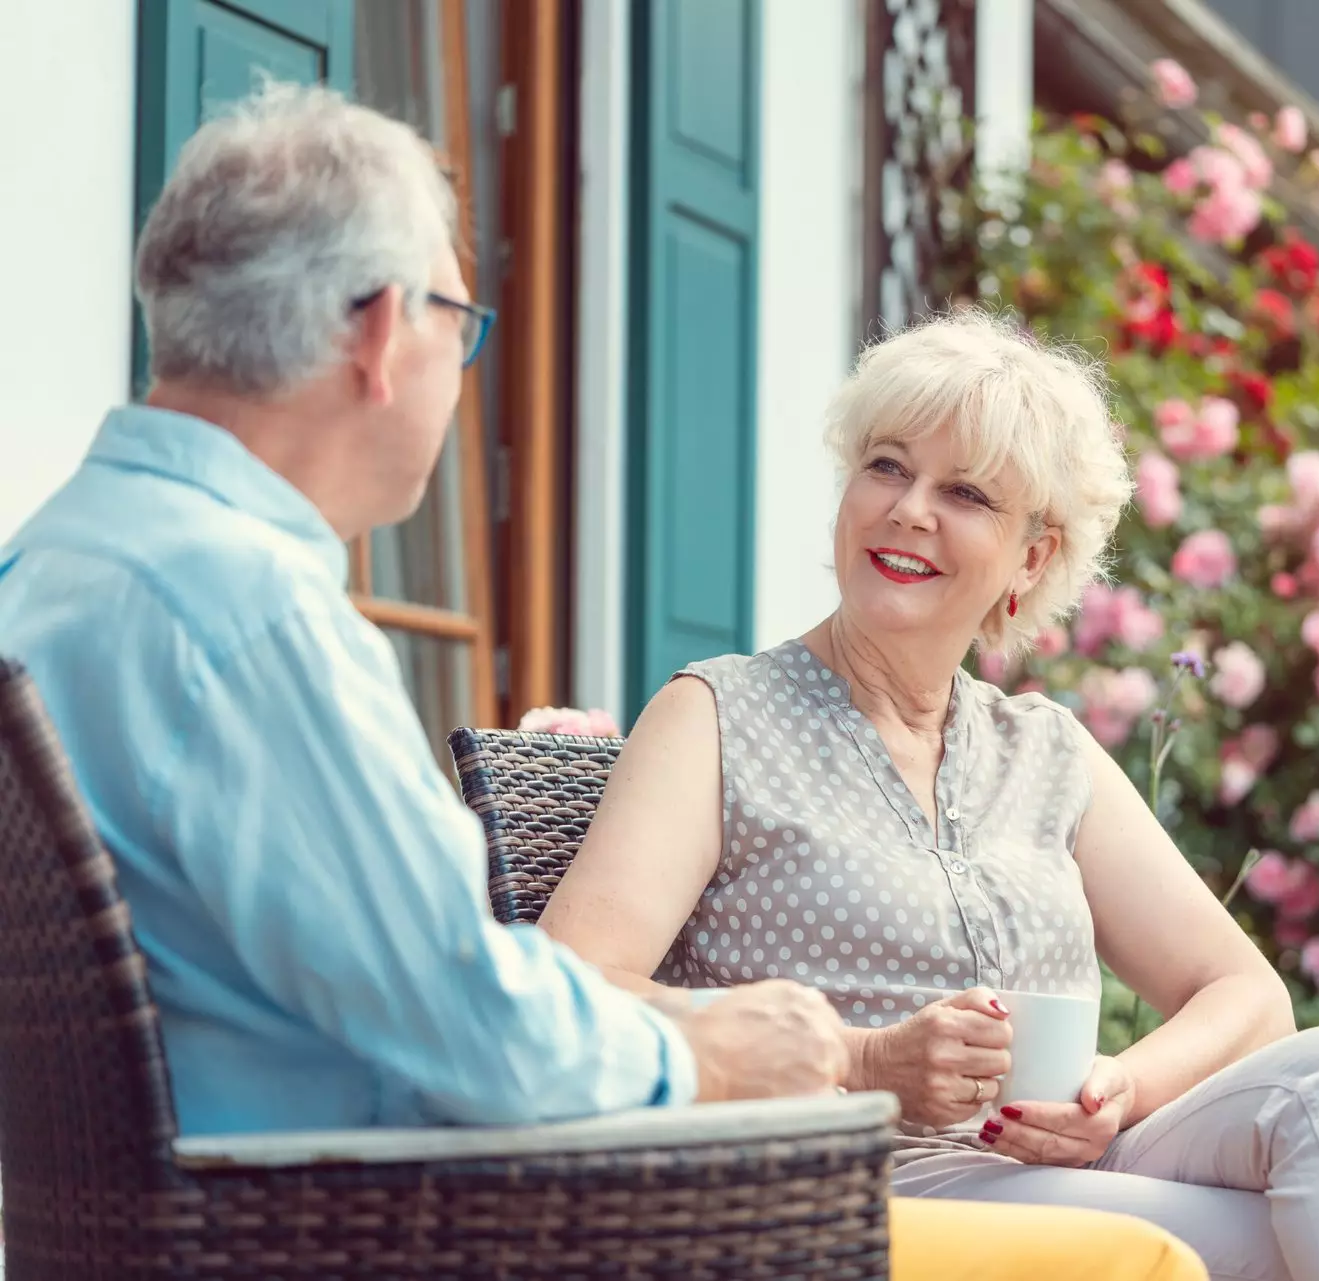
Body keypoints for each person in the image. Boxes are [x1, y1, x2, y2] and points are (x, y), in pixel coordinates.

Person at [0, 81, 1210, 1281]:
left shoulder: (49, 569)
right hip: (380, 1223)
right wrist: (744, 1058)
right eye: (463, 328)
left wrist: (700, 1025)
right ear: (381, 334)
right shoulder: (246, 616)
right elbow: (473, 1034)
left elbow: (429, 993)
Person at [542, 310, 1319, 1281]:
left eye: (963, 491)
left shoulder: (1045, 752)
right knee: (1298, 1239)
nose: (908, 509)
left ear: (1034, 557)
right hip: (853, 1190)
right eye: (885, 466)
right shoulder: (720, 717)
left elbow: (1249, 996)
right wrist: (868, 1058)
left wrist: (1117, 1091)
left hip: (1053, 1170)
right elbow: (570, 990)